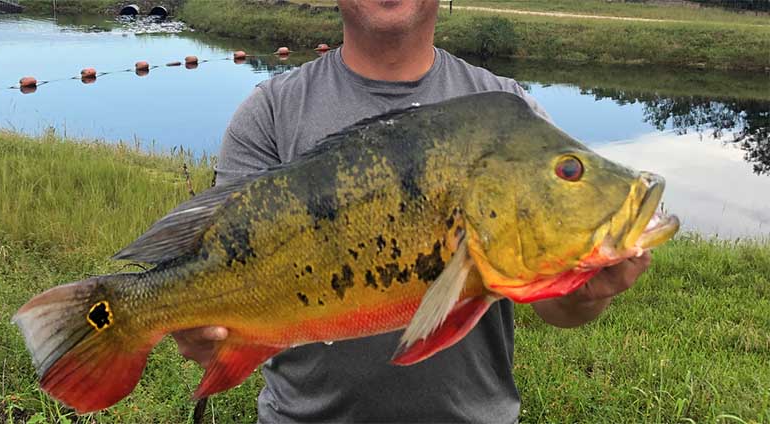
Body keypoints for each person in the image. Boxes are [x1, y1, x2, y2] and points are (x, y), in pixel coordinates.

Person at [173, 1, 652, 422]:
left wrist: (588, 292)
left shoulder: (509, 113)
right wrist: (199, 329)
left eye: (570, 171)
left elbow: (558, 307)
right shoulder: (270, 113)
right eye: (569, 171)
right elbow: (216, 265)